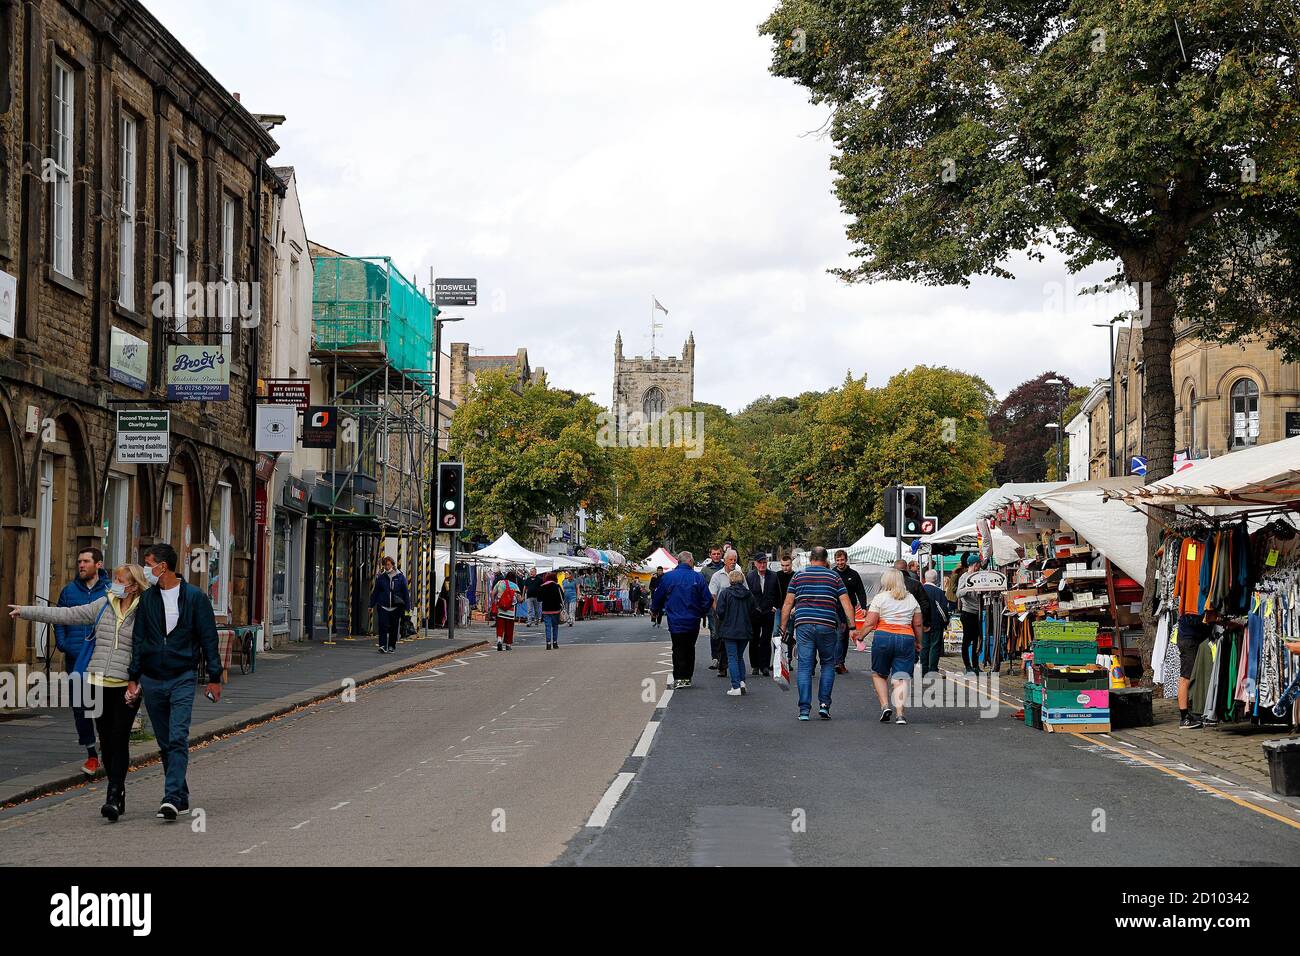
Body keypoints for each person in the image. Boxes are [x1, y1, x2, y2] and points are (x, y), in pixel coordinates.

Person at [11, 563, 149, 821]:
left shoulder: (145, 610)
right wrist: (27, 612)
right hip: (97, 682)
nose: (114, 584)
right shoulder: (103, 604)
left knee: (119, 739)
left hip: (126, 685)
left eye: (120, 580)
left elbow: (150, 648)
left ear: (133, 586)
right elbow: (69, 615)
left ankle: (113, 793)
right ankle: (118, 790)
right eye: (115, 579)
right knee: (106, 741)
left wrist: (140, 680)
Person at [126, 544, 221, 822]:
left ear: (163, 566)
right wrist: (134, 677)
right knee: (166, 741)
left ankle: (169, 797)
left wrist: (214, 677)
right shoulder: (148, 600)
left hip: (182, 676)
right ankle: (181, 794)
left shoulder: (194, 598)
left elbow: (208, 638)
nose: (146, 569)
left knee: (178, 736)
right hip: (153, 679)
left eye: (148, 563)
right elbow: (139, 640)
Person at [780, 547, 859, 720]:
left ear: (810, 559)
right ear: (826, 559)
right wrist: (853, 628)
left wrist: (782, 628)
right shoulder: (834, 577)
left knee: (805, 667)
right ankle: (824, 705)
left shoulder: (798, 576)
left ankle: (804, 710)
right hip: (827, 626)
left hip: (804, 625)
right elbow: (847, 604)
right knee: (828, 664)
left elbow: (787, 604)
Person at [54, 547, 109, 775]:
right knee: (80, 709)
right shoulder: (69, 591)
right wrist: (63, 643)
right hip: (76, 660)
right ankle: (91, 754)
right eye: (79, 562)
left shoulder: (109, 591)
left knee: (102, 708)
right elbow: (58, 618)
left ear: (98, 564)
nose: (81, 565)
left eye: (86, 561)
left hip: (101, 660)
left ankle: (107, 750)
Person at [651, 551, 713, 688]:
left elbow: (658, 596)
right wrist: (701, 611)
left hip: (675, 619)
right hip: (693, 619)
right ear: (689, 561)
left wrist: (655, 610)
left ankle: (679, 677)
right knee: (690, 647)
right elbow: (708, 599)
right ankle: (687, 677)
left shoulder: (668, 578)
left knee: (678, 648)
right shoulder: (698, 577)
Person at [715, 569, 758, 696]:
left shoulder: (725, 593)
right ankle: (742, 682)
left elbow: (720, 611)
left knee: (732, 657)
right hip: (745, 630)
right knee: (739, 657)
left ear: (730, 580)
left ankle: (735, 686)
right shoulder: (749, 594)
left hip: (729, 630)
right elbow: (754, 612)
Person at [709, 549, 743, 679]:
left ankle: (733, 664)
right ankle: (722, 667)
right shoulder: (717, 576)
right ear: (725, 560)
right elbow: (713, 595)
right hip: (722, 613)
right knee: (721, 639)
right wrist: (718, 611)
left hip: (736, 614)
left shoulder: (740, 575)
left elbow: (746, 591)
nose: (733, 562)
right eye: (731, 560)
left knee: (735, 640)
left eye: (735, 560)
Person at [832, 550, 868, 674]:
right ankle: (837, 662)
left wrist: (864, 607)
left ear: (846, 560)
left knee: (847, 635)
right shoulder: (832, 574)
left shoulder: (853, 574)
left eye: (842, 560)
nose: (840, 562)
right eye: (838, 560)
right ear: (835, 561)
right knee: (839, 635)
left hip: (849, 609)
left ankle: (840, 661)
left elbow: (861, 591)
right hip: (835, 608)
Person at [746, 551, 779, 676]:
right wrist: (750, 610)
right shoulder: (750, 576)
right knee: (754, 639)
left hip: (768, 612)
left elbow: (778, 594)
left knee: (765, 639)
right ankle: (755, 665)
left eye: (764, 562)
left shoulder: (773, 576)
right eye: (760, 563)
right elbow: (748, 595)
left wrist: (775, 607)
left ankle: (764, 666)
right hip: (754, 613)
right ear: (755, 564)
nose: (762, 565)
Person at [369, 556, 410, 654]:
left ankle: (391, 646)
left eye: (388, 564)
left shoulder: (400, 577)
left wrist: (407, 607)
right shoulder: (381, 578)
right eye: (385, 565)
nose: (386, 567)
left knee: (393, 628)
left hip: (396, 607)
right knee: (382, 626)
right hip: (383, 606)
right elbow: (376, 592)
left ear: (392, 564)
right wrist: (371, 605)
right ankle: (383, 645)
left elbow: (405, 593)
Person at [955, 555, 984, 675]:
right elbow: (958, 593)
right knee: (967, 640)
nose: (979, 566)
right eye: (978, 564)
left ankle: (976, 665)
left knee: (977, 640)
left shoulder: (979, 576)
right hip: (968, 613)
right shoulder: (964, 577)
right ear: (975, 564)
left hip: (978, 613)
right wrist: (969, 588)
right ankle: (968, 666)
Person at [920, 568, 950, 677]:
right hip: (935, 622)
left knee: (924, 646)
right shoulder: (938, 592)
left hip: (922, 623)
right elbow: (943, 609)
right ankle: (932, 670)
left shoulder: (920, 589)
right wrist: (946, 621)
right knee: (934, 646)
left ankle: (923, 670)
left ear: (925, 578)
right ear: (936, 579)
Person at [894, 558, 933, 635]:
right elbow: (924, 604)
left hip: (891, 624)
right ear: (907, 568)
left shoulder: (888, 584)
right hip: (910, 622)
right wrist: (925, 623)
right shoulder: (916, 584)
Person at [697, 546, 724, 650]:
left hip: (726, 604)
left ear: (721, 554)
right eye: (714, 554)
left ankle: (723, 658)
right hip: (712, 606)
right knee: (714, 632)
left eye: (718, 553)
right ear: (710, 555)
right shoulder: (705, 570)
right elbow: (701, 589)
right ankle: (715, 657)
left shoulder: (726, 566)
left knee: (726, 632)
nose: (716, 556)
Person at [493, 571, 522, 651]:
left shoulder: (500, 583)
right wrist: (521, 599)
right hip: (511, 611)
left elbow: (493, 593)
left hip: (500, 609)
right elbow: (519, 599)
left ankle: (499, 640)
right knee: (509, 627)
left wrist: (495, 602)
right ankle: (508, 644)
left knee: (500, 626)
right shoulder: (515, 586)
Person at [776, 554, 796, 662]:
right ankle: (778, 659)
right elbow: (773, 592)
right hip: (779, 608)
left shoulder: (796, 576)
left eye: (787, 565)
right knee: (777, 634)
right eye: (783, 565)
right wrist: (774, 606)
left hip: (792, 609)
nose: (785, 568)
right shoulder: (777, 575)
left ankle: (788, 659)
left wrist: (795, 607)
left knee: (789, 633)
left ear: (791, 564)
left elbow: (799, 593)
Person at [539, 572, 565, 649]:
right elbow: (562, 597)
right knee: (555, 626)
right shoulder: (557, 586)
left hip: (546, 610)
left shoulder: (542, 586)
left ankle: (548, 643)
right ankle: (555, 643)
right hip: (556, 609)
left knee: (547, 627)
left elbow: (539, 598)